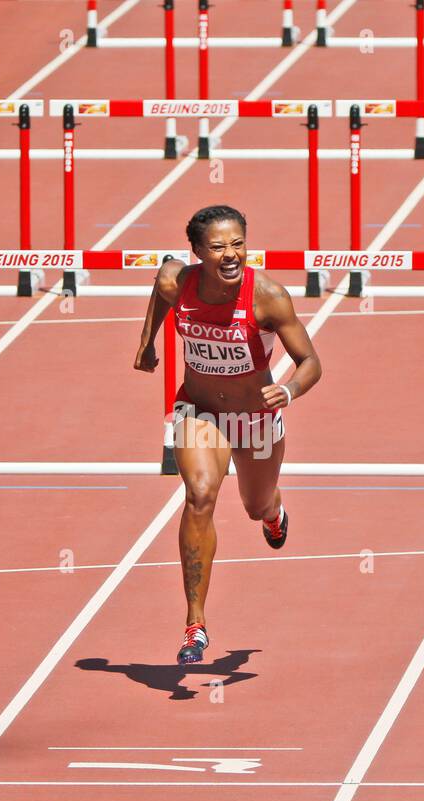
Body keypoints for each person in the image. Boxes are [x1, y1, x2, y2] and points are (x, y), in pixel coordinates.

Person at [134, 206, 322, 664]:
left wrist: (289, 390)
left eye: (238, 243)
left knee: (255, 504)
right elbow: (161, 289)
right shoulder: (178, 282)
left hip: (255, 417)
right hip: (199, 410)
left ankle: (273, 510)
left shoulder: (268, 297)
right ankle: (195, 623)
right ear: (197, 252)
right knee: (199, 494)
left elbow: (311, 363)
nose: (231, 254)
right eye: (218, 247)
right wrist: (147, 343)